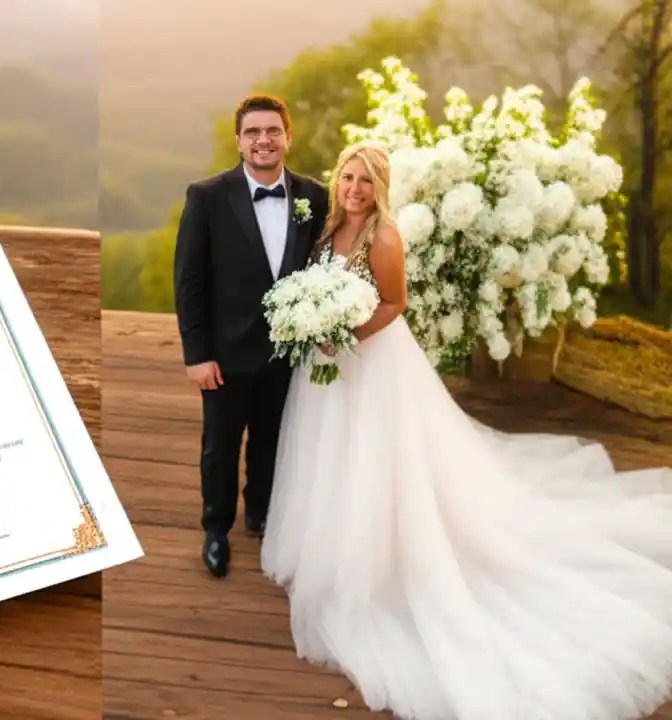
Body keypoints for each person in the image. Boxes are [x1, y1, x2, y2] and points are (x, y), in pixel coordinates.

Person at [261, 140, 672, 720]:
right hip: (327, 364)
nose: (354, 189)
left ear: (380, 188)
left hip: (370, 362)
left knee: (376, 456)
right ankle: (326, 539)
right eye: (348, 178)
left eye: (365, 181)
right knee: (327, 453)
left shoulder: (383, 236)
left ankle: (378, 553)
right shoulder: (330, 228)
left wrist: (343, 333)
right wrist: (313, 324)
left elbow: (394, 303)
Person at [172, 93, 329, 578]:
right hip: (225, 353)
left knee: (272, 439)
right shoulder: (207, 196)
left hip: (288, 351)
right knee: (220, 445)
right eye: (253, 132)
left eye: (273, 131)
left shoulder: (314, 197)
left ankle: (261, 513)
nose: (264, 140)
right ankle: (216, 529)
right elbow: (189, 281)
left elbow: (324, 267)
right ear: (239, 141)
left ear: (288, 138)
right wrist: (197, 354)